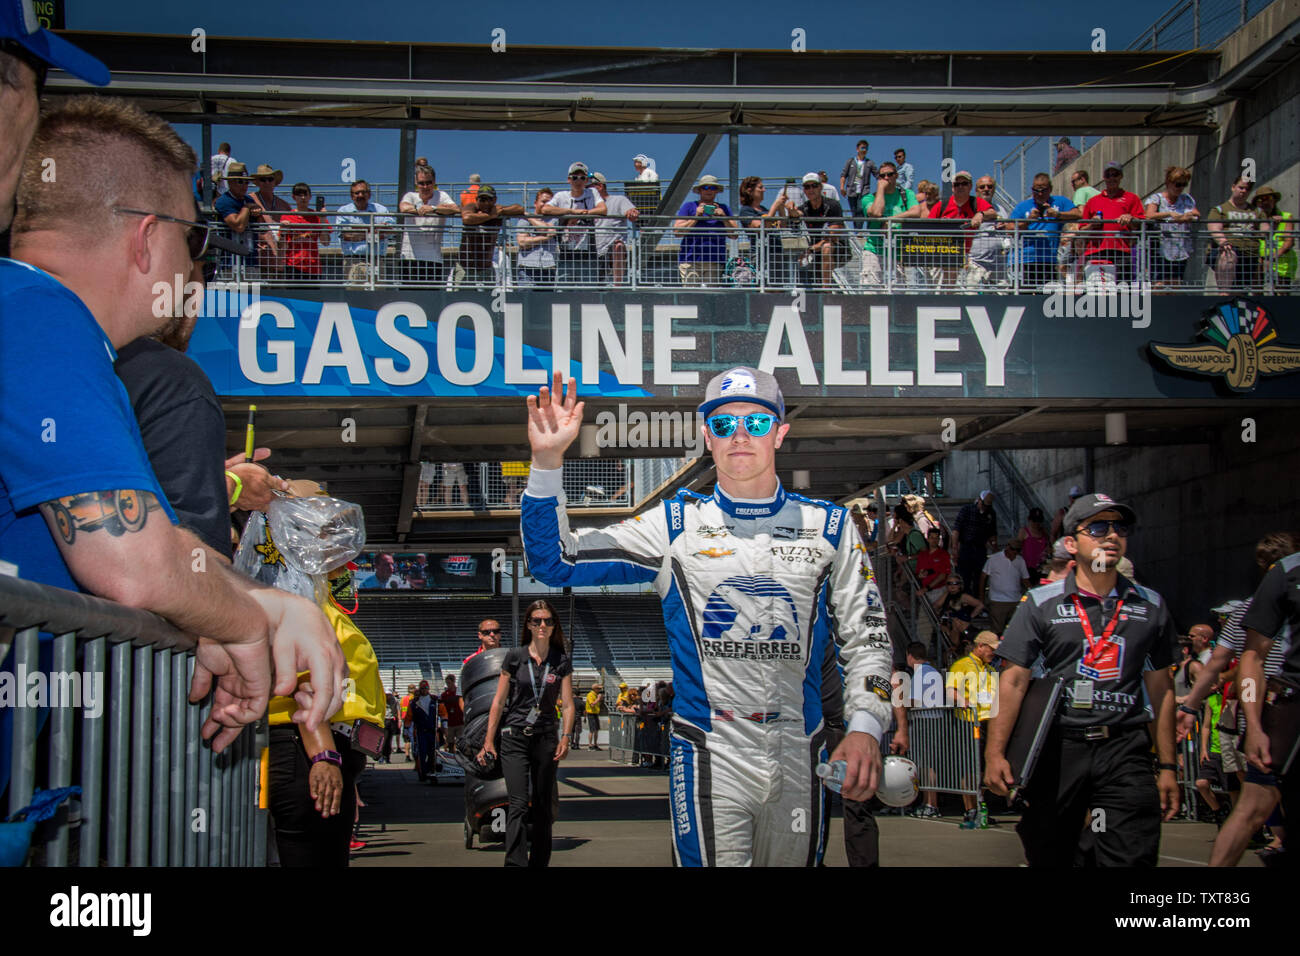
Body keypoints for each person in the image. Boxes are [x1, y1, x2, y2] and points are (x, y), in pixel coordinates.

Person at [0, 97, 346, 790]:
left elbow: (146, 534)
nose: (192, 267)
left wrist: (270, 603)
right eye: (195, 240)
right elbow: (131, 561)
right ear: (147, 237)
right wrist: (250, 621)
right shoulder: (40, 316)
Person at [520, 367, 893, 866]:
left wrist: (867, 724)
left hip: (801, 751)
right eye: (723, 425)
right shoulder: (674, 525)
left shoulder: (831, 526)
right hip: (709, 752)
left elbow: (868, 636)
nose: (739, 436)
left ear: (781, 432)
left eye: (756, 424)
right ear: (705, 437)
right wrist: (546, 464)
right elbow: (553, 560)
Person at [985, 493, 1181, 867]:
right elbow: (1012, 682)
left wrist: (1169, 766)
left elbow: (1161, 688)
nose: (1111, 535)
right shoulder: (1041, 603)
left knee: (1130, 852)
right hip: (1060, 747)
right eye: (1098, 527)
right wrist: (996, 754)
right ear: (1072, 543)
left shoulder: (1151, 605)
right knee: (1049, 848)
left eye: (1119, 527)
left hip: (1125, 747)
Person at [1180, 532, 1297, 865]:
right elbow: (1233, 662)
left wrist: (1190, 705)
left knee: (1253, 803)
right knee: (1254, 801)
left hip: (1264, 715)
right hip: (1274, 712)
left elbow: (1218, 662)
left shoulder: (1252, 604)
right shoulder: (1255, 607)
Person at [477, 599, 575, 867]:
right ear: (529, 625)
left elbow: (567, 704)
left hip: (546, 737)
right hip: (515, 736)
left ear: (554, 626)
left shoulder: (561, 661)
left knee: (543, 807)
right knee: (518, 804)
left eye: (547, 621)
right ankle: (515, 863)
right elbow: (498, 701)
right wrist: (488, 740)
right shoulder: (514, 657)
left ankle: (539, 862)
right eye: (537, 621)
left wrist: (566, 736)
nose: (542, 625)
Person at [1239, 546, 1300, 867]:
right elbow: (1251, 657)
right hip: (1290, 714)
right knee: (1253, 807)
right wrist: (1254, 724)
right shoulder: (1286, 573)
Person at [947, 631, 1001, 828]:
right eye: (991, 649)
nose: (993, 653)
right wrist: (964, 701)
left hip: (988, 722)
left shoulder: (988, 669)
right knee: (969, 767)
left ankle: (981, 806)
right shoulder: (961, 665)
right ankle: (970, 808)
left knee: (982, 767)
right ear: (980, 646)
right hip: (969, 723)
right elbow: (950, 690)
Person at [1078, 162, 1146, 285]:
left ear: (1121, 176)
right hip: (1096, 252)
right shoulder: (1093, 201)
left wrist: (1131, 218)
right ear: (1104, 177)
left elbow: (1141, 225)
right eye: (1108, 175)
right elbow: (1081, 231)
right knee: (1095, 292)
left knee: (1123, 291)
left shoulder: (1132, 198)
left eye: (1115, 174)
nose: (1111, 178)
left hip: (1122, 251)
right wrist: (1092, 224)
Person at [1010, 174, 1079, 289]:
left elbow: (1078, 214)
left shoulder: (1060, 202)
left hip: (1049, 260)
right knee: (1025, 297)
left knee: (1046, 298)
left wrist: (1058, 214)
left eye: (1043, 190)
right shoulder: (1023, 206)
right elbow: (1009, 228)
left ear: (1050, 189)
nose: (1040, 194)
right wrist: (1028, 220)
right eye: (1036, 190)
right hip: (1025, 260)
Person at [542, 162, 607, 285]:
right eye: (575, 177)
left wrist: (585, 213)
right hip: (566, 256)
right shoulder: (561, 196)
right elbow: (545, 209)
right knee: (563, 295)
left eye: (582, 177)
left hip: (588, 257)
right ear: (569, 179)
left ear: (586, 180)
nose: (579, 180)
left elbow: (603, 209)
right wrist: (571, 212)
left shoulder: (592, 193)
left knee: (588, 296)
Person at [398, 161, 459, 284]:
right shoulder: (410, 195)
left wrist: (433, 209)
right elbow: (403, 207)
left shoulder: (442, 195)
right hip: (410, 258)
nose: (425, 187)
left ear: (434, 181)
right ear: (416, 183)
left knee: (432, 299)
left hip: (433, 259)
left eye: (428, 183)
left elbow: (455, 209)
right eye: (421, 183)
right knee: (408, 300)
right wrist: (418, 210)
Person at [673, 174, 739, 287]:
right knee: (691, 295)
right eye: (705, 187)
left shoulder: (724, 208)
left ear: (717, 191)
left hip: (715, 260)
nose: (709, 190)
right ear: (699, 190)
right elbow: (677, 232)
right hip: (690, 260)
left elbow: (734, 234)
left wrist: (723, 217)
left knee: (711, 296)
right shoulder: (689, 206)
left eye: (713, 188)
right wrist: (696, 216)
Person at [859, 161, 915, 288]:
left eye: (889, 174)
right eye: (882, 176)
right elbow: (877, 212)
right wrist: (880, 188)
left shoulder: (907, 194)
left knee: (898, 296)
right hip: (874, 250)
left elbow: (916, 211)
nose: (886, 178)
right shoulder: (868, 198)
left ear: (896, 176)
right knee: (871, 295)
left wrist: (890, 220)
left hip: (898, 252)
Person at [903, 642, 944, 817]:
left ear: (910, 656)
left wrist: (899, 702)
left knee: (926, 765)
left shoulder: (920, 674)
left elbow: (915, 700)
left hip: (924, 722)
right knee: (928, 764)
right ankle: (929, 802)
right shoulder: (933, 672)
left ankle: (930, 803)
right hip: (935, 721)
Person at [789, 171, 847, 289]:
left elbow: (833, 236)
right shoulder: (805, 207)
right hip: (816, 251)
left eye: (814, 186)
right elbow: (797, 215)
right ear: (804, 190)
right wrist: (791, 209)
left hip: (839, 248)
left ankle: (826, 292)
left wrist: (812, 249)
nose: (811, 190)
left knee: (826, 247)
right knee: (799, 261)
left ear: (821, 187)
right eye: (807, 187)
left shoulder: (833, 205)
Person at [1142, 166, 1199, 289]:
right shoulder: (1156, 198)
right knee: (1159, 284)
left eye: (1183, 184)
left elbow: (1196, 213)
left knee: (1175, 284)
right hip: (1160, 247)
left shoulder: (1186, 199)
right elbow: (1149, 215)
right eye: (1177, 184)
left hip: (1180, 248)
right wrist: (1169, 214)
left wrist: (1187, 216)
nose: (1180, 188)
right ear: (1168, 182)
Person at [1207, 175, 1266, 291]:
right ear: (1233, 187)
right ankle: (1224, 294)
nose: (1244, 191)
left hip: (1250, 254)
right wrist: (1223, 242)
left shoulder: (1257, 211)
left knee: (1241, 290)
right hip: (1228, 251)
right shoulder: (1220, 210)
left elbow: (1265, 229)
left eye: (1247, 189)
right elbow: (1214, 228)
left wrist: (1271, 225)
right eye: (1241, 188)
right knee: (1229, 255)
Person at [460, 184, 524, 286]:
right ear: (477, 200)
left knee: (489, 301)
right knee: (460, 300)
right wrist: (490, 216)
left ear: (495, 200)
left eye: (489, 199)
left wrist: (501, 211)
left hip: (486, 268)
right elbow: (466, 218)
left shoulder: (497, 210)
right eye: (482, 200)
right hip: (466, 268)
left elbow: (520, 208)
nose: (485, 203)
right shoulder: (472, 207)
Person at [737, 175, 792, 286]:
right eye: (760, 187)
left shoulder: (764, 209)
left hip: (776, 253)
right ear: (749, 190)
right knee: (764, 288)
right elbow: (761, 227)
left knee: (778, 287)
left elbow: (783, 226)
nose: (764, 190)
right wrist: (775, 206)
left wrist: (781, 207)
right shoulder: (746, 210)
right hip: (761, 255)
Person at [214, 161, 267, 276]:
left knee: (253, 293)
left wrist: (258, 213)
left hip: (250, 262)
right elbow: (238, 226)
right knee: (230, 294)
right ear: (230, 182)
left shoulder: (249, 200)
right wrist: (247, 208)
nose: (244, 185)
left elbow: (263, 228)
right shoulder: (224, 201)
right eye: (240, 182)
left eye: (246, 182)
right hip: (229, 264)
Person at [336, 180, 396, 282]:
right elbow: (346, 235)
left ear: (369, 194)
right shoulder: (344, 211)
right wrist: (373, 229)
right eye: (357, 193)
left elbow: (389, 231)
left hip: (377, 261)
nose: (360, 195)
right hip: (353, 261)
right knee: (354, 295)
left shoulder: (381, 210)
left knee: (378, 296)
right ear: (352, 196)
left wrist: (358, 230)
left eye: (364, 192)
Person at [591, 172, 639, 285]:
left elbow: (631, 211)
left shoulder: (619, 200)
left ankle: (618, 288)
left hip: (613, 250)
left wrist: (632, 213)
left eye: (589, 188)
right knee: (598, 287)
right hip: (595, 253)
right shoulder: (589, 205)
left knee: (618, 246)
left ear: (600, 186)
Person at [280, 182, 331, 280]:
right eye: (299, 195)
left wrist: (323, 219)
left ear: (310, 197)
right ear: (293, 197)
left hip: (313, 267)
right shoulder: (286, 216)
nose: (303, 198)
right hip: (293, 266)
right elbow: (282, 246)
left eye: (305, 195)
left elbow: (325, 242)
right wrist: (283, 232)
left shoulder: (317, 216)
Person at [952, 490, 997, 596]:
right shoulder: (967, 510)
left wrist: (994, 546)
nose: (985, 508)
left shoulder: (991, 513)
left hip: (980, 548)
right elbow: (956, 529)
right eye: (984, 504)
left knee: (979, 578)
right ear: (979, 500)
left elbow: (992, 532)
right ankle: (963, 601)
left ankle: (977, 600)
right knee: (964, 577)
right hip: (966, 547)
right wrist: (955, 548)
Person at [932, 575, 986, 657]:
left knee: (958, 649)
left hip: (961, 628)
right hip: (949, 627)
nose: (952, 586)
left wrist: (970, 617)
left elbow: (980, 605)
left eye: (955, 583)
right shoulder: (947, 595)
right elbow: (936, 605)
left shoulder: (963, 596)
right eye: (949, 584)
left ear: (960, 585)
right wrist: (946, 592)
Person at [516, 187, 559, 288]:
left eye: (549, 203)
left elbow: (550, 231)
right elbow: (522, 243)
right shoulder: (524, 221)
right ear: (535, 203)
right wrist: (545, 238)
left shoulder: (554, 220)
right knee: (526, 302)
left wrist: (528, 217)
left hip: (548, 267)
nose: (545, 205)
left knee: (547, 303)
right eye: (543, 201)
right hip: (527, 268)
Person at [1254, 185, 1295, 289]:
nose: (1265, 202)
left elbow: (1289, 242)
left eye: (1269, 198)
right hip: (1259, 264)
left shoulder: (1286, 217)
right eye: (1261, 199)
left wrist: (1272, 257)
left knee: (1281, 296)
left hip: (1281, 266)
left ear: (1274, 201)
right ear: (1257, 203)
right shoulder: (1254, 220)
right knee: (1256, 293)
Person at [839, 139, 876, 230]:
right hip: (852, 190)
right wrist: (842, 187)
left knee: (860, 209)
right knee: (854, 211)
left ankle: (859, 231)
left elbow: (877, 174)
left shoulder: (869, 163)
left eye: (866, 148)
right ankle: (857, 230)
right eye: (862, 148)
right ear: (857, 149)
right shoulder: (850, 161)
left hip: (864, 191)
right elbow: (843, 175)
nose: (864, 150)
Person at [916, 529, 953, 604]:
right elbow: (917, 573)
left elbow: (943, 575)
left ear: (939, 539)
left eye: (936, 538)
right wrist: (920, 575)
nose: (934, 540)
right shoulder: (922, 555)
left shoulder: (944, 554)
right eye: (932, 537)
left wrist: (927, 588)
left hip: (938, 590)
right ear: (928, 539)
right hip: (924, 590)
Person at [1015, 508, 1051, 579]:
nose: (1036, 524)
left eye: (1039, 521)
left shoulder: (1044, 532)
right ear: (1029, 520)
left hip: (1043, 567)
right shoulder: (1024, 531)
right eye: (1034, 521)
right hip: (1029, 568)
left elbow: (1048, 545)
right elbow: (1017, 548)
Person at [441, 676, 465, 752]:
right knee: (450, 742)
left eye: (449, 683)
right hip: (450, 722)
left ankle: (461, 755)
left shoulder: (458, 693)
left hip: (460, 721)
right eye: (447, 683)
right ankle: (451, 753)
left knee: (461, 741)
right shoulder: (445, 694)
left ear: (453, 682)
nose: (448, 685)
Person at [399, 683, 416, 759]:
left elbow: (401, 709)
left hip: (405, 721)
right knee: (413, 739)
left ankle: (407, 755)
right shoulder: (415, 698)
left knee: (406, 739)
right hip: (412, 721)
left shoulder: (403, 699)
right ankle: (414, 754)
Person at [585, 685, 604, 749]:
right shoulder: (590, 695)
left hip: (595, 713)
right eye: (598, 689)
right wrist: (598, 699)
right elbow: (592, 704)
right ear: (595, 689)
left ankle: (595, 744)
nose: (599, 690)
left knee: (596, 729)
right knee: (592, 730)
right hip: (591, 714)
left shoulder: (596, 695)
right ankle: (590, 745)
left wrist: (599, 699)